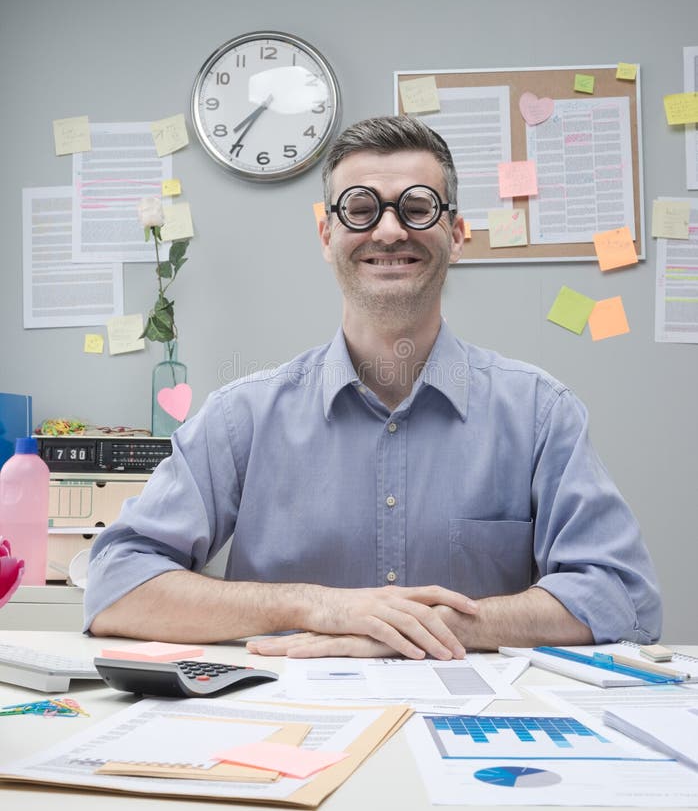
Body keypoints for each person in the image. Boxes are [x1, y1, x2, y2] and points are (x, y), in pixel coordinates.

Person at [84, 115, 662, 659]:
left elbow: (624, 598)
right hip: (286, 741)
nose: (389, 230)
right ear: (326, 233)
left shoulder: (539, 413)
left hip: (470, 739)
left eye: (417, 207)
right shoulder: (243, 416)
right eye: (361, 208)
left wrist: (417, 632)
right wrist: (321, 607)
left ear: (457, 235)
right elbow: (117, 583)